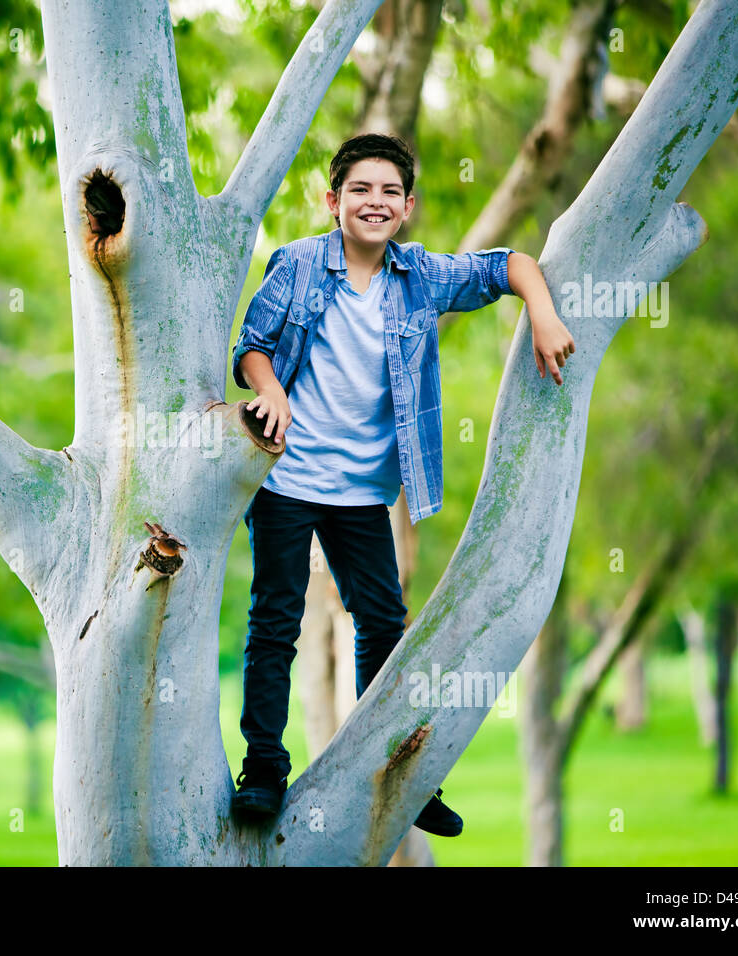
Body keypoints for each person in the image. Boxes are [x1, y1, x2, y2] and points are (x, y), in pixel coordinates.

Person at [229, 133, 575, 832]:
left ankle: (395, 767)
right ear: (333, 201)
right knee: (276, 622)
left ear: (408, 206)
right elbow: (251, 350)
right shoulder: (296, 265)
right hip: (290, 478)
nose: (375, 202)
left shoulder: (420, 276)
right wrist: (273, 393)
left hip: (363, 491)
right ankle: (263, 768)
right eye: (360, 190)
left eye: (390, 192)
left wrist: (542, 313)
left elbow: (509, 265)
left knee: (385, 625)